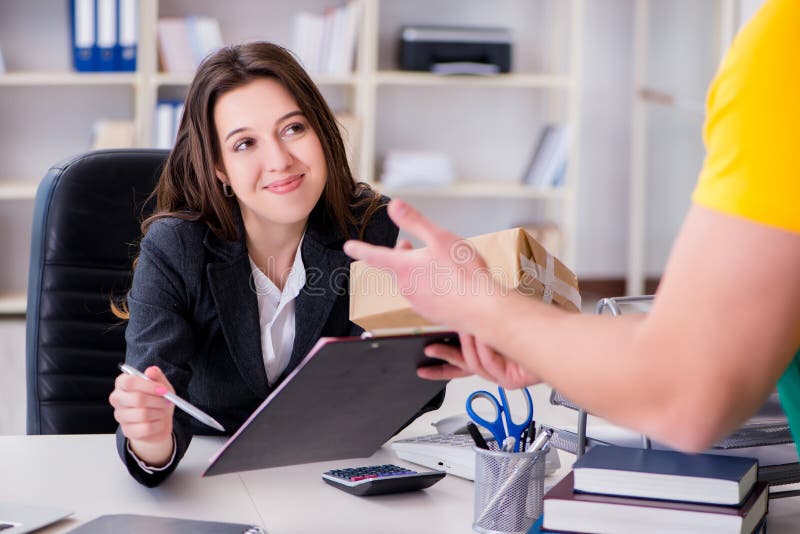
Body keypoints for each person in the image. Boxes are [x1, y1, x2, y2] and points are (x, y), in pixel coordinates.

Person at [344, 0, 800, 455]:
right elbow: (739, 352)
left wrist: (477, 303)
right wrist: (544, 346)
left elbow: (687, 388)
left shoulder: (784, 45)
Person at [108, 42, 442, 487]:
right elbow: (155, 397)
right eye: (244, 143)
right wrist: (151, 438)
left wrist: (418, 340)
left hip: (326, 474)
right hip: (210, 477)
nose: (280, 161)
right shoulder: (176, 247)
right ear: (219, 169)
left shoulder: (367, 226)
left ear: (321, 132)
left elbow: (406, 395)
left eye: (293, 129)